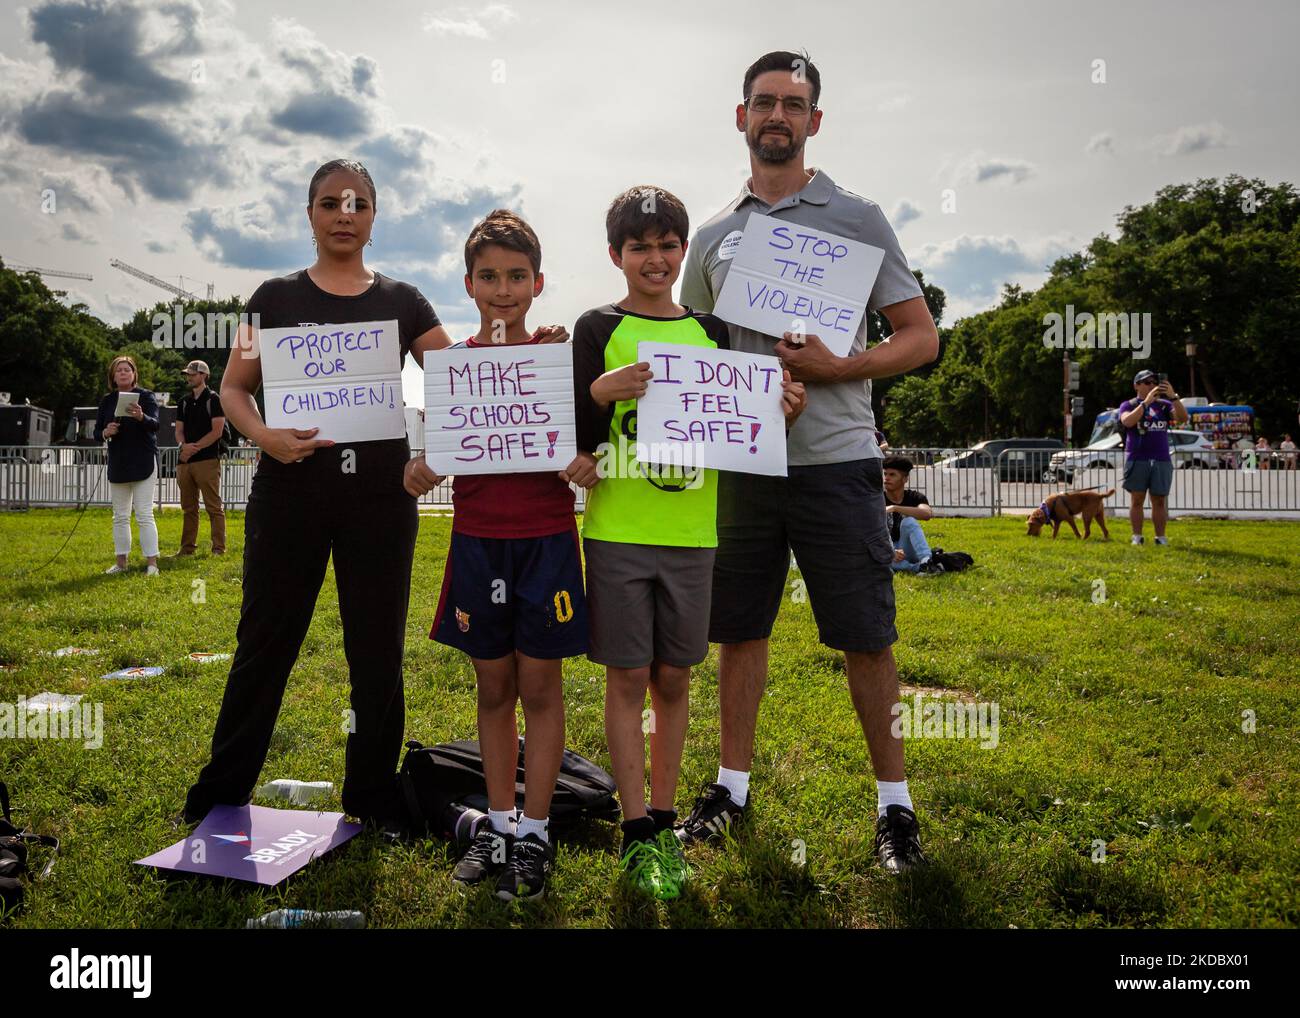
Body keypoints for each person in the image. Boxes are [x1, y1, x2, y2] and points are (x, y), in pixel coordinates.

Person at [677, 50, 940, 872]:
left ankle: (895, 808)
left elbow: (920, 337)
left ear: (814, 121)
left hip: (837, 461)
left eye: (793, 104)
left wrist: (840, 367)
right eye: (764, 102)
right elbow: (695, 348)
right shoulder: (712, 235)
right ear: (741, 116)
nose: (777, 115)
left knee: (867, 637)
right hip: (745, 468)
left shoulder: (858, 218)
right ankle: (731, 790)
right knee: (739, 630)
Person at [184, 159, 453, 828]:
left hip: (381, 502)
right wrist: (264, 436)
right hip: (289, 496)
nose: (344, 214)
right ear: (309, 214)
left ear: (374, 216)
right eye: (330, 202)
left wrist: (528, 347)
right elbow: (233, 388)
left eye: (358, 203)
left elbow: (461, 379)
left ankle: (372, 797)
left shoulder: (405, 301)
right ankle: (222, 790)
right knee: (264, 642)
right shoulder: (272, 298)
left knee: (377, 651)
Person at [574, 186, 806, 898]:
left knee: (674, 679)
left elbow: (741, 425)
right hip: (618, 531)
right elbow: (575, 435)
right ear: (615, 255)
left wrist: (782, 412)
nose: (655, 258)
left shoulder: (712, 332)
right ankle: (635, 829)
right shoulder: (596, 327)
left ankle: (667, 818)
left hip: (693, 535)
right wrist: (599, 393)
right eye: (639, 246)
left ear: (683, 251)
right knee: (626, 678)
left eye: (667, 245)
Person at [408, 210, 598, 901]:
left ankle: (536, 832)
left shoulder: (558, 361)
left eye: (517, 276)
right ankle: (495, 825)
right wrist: (419, 470)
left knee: (541, 688)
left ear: (538, 283)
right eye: (489, 276)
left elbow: (588, 446)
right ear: (468, 284)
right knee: (492, 689)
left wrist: (586, 461)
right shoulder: (453, 367)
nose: (503, 289)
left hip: (546, 541)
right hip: (477, 542)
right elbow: (443, 451)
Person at [94, 355, 160, 576]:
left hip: (143, 462)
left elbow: (155, 424)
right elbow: (96, 432)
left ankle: (152, 564)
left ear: (134, 374)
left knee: (144, 514)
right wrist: (106, 432)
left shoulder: (146, 396)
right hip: (118, 463)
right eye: (119, 370)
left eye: (127, 369)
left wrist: (141, 416)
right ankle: (121, 563)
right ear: (113, 376)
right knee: (120, 516)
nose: (123, 373)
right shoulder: (107, 400)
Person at [1117, 369, 1187, 545]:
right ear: (1136, 385)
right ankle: (1137, 536)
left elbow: (1183, 419)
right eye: (1147, 382)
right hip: (1137, 457)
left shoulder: (1164, 405)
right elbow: (1127, 421)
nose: (1152, 385)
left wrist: (1173, 397)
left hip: (1161, 458)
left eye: (1155, 382)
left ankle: (1160, 537)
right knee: (1137, 499)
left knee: (1159, 500)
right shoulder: (1129, 404)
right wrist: (1146, 403)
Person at [173, 359, 227, 556]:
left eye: (192, 374)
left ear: (204, 375)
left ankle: (219, 548)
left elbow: (217, 431)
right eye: (187, 374)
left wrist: (193, 448)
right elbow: (178, 431)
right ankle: (187, 548)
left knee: (213, 507)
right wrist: (183, 446)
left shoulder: (214, 399)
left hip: (207, 460)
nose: (188, 377)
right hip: (185, 461)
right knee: (188, 508)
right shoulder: (183, 402)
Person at [882, 456, 936, 573]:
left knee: (908, 521)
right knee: (879, 559)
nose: (886, 478)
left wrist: (895, 508)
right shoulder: (878, 499)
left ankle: (926, 560)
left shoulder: (914, 496)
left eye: (892, 475)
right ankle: (920, 568)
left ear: (905, 479)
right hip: (887, 550)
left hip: (908, 548)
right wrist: (890, 551)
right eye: (885, 474)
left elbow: (926, 514)